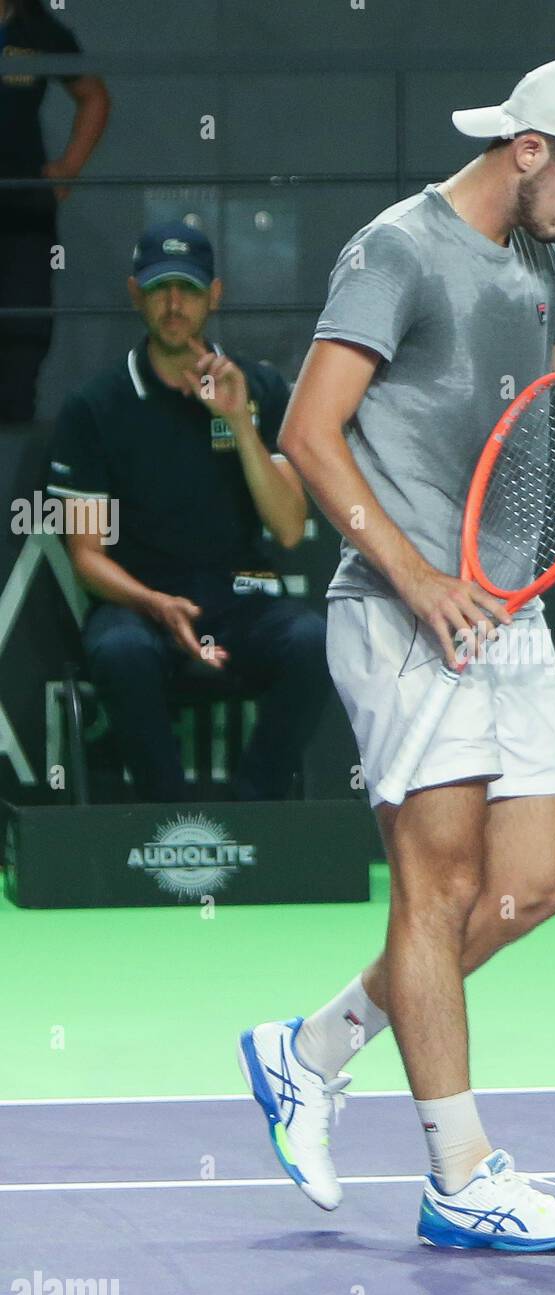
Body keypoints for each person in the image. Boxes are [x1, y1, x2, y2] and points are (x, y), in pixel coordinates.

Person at [239, 59, 555, 1251]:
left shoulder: (540, 266)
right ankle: (459, 1175)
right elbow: (308, 435)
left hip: (505, 618)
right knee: (441, 891)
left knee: (530, 885)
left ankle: (310, 1050)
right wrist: (418, 580)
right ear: (528, 151)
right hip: (400, 610)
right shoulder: (396, 252)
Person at [46, 220, 329, 802]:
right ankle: (169, 820)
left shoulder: (263, 389)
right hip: (139, 603)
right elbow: (86, 557)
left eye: (189, 289)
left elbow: (288, 528)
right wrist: (153, 602)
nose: (174, 305)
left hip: (242, 595)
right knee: (118, 650)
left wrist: (239, 424)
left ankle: (255, 814)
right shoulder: (94, 408)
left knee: (313, 642)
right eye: (159, 289)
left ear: (214, 296)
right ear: (135, 294)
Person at [0, 0, 109, 422]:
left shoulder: (38, 27)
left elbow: (94, 96)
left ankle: (9, 463)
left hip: (23, 210)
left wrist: (67, 169)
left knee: (21, 341)